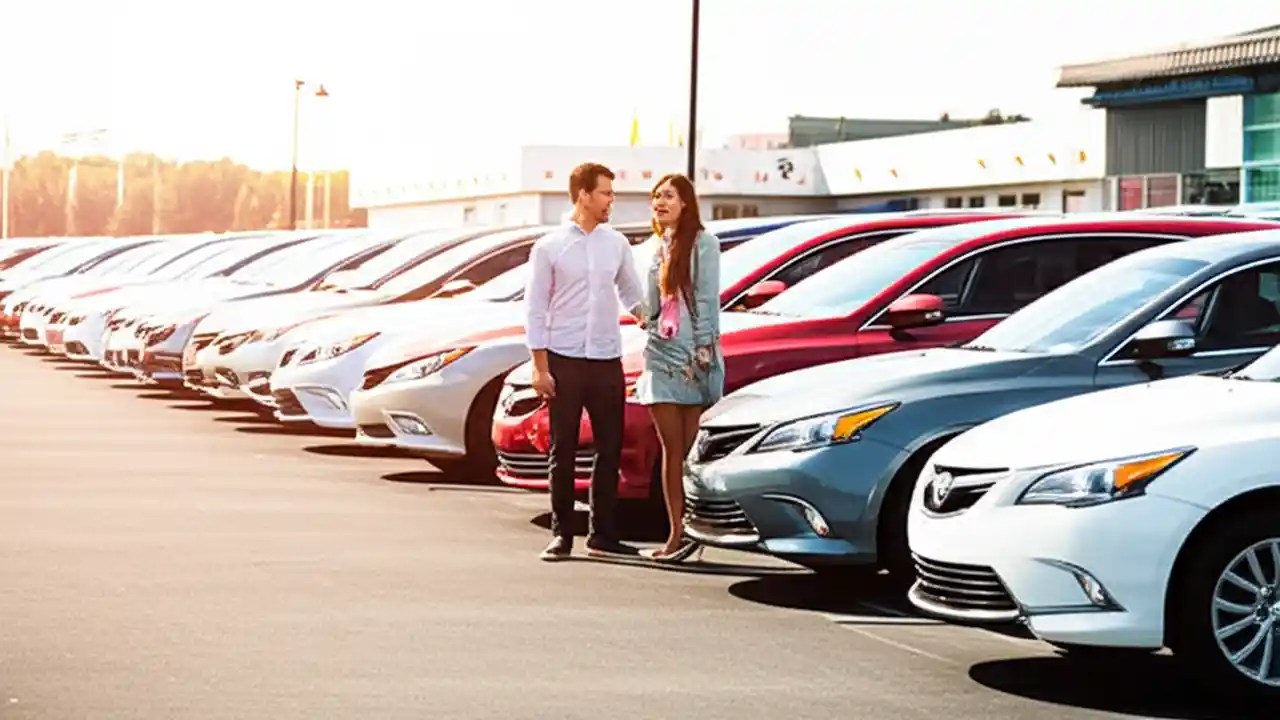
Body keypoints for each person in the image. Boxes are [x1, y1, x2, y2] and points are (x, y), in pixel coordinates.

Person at [524, 162, 646, 562]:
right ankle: (561, 535)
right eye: (606, 193)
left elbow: (631, 292)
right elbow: (535, 309)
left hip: (606, 357)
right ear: (584, 195)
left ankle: (603, 535)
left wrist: (653, 318)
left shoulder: (617, 243)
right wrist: (540, 366)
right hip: (564, 358)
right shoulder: (549, 247)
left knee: (609, 448)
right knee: (563, 449)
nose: (612, 201)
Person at [631, 173, 723, 562]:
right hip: (660, 353)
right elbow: (650, 306)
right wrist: (639, 312)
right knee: (671, 450)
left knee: (689, 452)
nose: (660, 202)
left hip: (692, 355)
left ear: (686, 202)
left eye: (668, 195)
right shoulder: (657, 246)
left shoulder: (704, 243)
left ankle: (695, 534)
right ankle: (675, 535)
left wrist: (703, 349)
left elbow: (707, 300)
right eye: (656, 196)